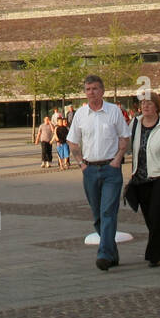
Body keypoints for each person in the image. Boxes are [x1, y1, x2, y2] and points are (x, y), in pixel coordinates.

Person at [67, 74, 131, 271]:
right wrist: (80, 163)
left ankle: (103, 254)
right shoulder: (80, 114)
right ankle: (111, 252)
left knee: (108, 211)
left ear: (102, 91)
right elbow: (72, 140)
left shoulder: (113, 111)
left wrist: (118, 159)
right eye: (88, 89)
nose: (91, 93)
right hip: (90, 169)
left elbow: (124, 136)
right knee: (97, 214)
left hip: (111, 168)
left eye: (95, 89)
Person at [128, 93, 160, 267]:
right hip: (140, 177)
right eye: (143, 103)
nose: (145, 106)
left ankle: (154, 255)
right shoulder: (135, 123)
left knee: (158, 215)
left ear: (157, 106)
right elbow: (127, 145)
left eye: (149, 103)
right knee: (149, 218)